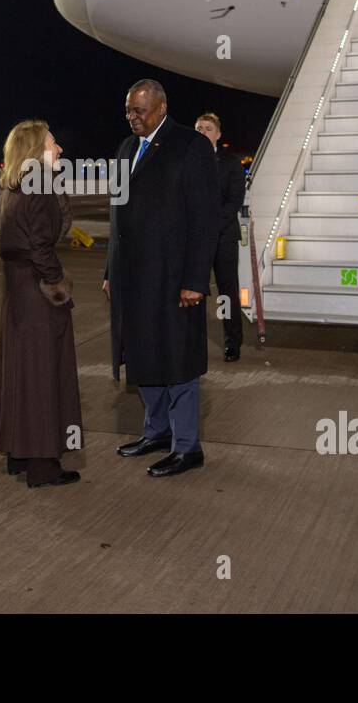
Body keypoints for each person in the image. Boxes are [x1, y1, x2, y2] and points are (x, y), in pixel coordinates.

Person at [104, 79, 219, 478]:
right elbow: (116, 216)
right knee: (141, 353)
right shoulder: (123, 148)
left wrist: (194, 280)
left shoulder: (191, 146)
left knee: (177, 357)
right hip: (131, 278)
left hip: (172, 279)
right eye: (128, 110)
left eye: (140, 110)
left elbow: (204, 221)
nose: (133, 117)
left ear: (162, 107)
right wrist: (109, 270)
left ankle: (188, 447)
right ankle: (156, 432)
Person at [0, 120, 83, 488]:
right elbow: (42, 247)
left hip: (17, 295)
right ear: (34, 150)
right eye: (52, 142)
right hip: (37, 295)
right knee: (45, 376)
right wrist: (58, 286)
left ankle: (20, 453)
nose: (59, 148)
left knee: (21, 374)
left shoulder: (15, 186)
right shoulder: (40, 184)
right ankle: (44, 466)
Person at [194, 112, 245, 362]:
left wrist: (210, 225)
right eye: (199, 128)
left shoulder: (231, 162)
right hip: (196, 240)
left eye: (208, 128)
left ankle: (232, 342)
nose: (203, 132)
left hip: (223, 238)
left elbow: (235, 200)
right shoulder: (187, 161)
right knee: (194, 291)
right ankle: (193, 342)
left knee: (226, 292)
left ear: (218, 134)